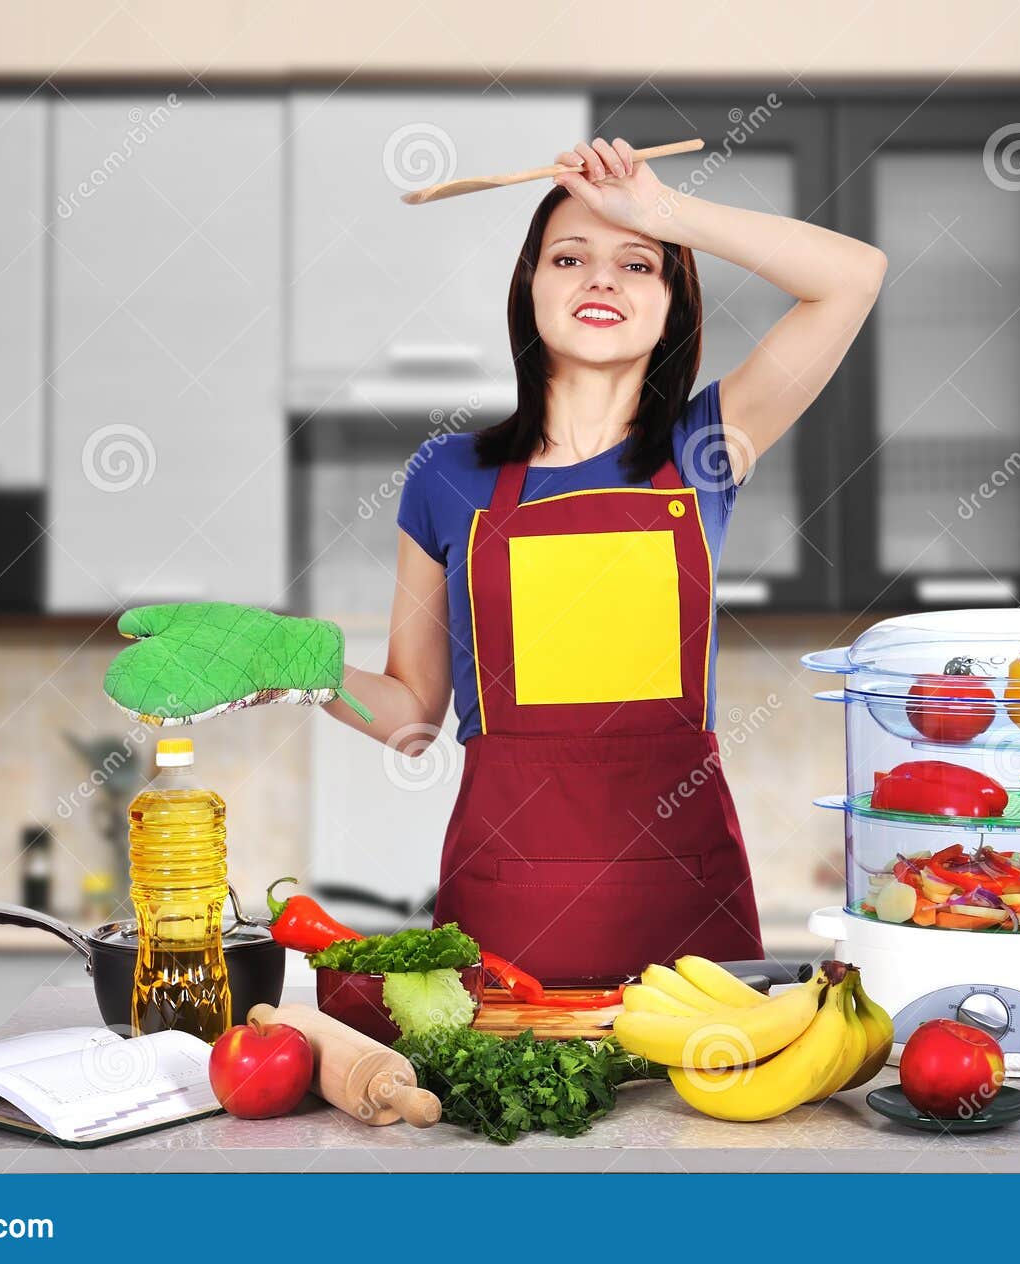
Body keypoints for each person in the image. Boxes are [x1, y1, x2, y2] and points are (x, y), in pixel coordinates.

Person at [324, 136, 886, 982]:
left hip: (686, 925)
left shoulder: (706, 450)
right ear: (530, 288)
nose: (601, 279)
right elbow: (412, 716)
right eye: (569, 258)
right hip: (507, 918)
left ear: (672, 307)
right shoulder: (447, 475)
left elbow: (853, 276)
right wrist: (297, 667)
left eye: (637, 264)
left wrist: (661, 210)